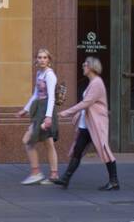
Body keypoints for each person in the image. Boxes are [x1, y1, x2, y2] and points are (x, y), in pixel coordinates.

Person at [52, 56, 119, 191]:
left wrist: (67, 112)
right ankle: (65, 179)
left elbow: (87, 103)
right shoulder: (92, 82)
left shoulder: (97, 83)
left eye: (84, 65)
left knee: (104, 150)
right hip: (86, 124)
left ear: (91, 67)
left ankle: (114, 181)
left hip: (96, 123)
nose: (83, 67)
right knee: (77, 150)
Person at [16, 47, 59, 185]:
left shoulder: (50, 75)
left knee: (28, 140)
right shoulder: (39, 73)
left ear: (49, 60)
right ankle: (53, 175)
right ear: (36, 59)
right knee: (48, 143)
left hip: (45, 111)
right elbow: (35, 94)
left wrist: (48, 117)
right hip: (39, 110)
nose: (42, 60)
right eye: (39, 57)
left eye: (45, 57)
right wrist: (25, 109)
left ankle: (36, 173)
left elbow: (51, 97)